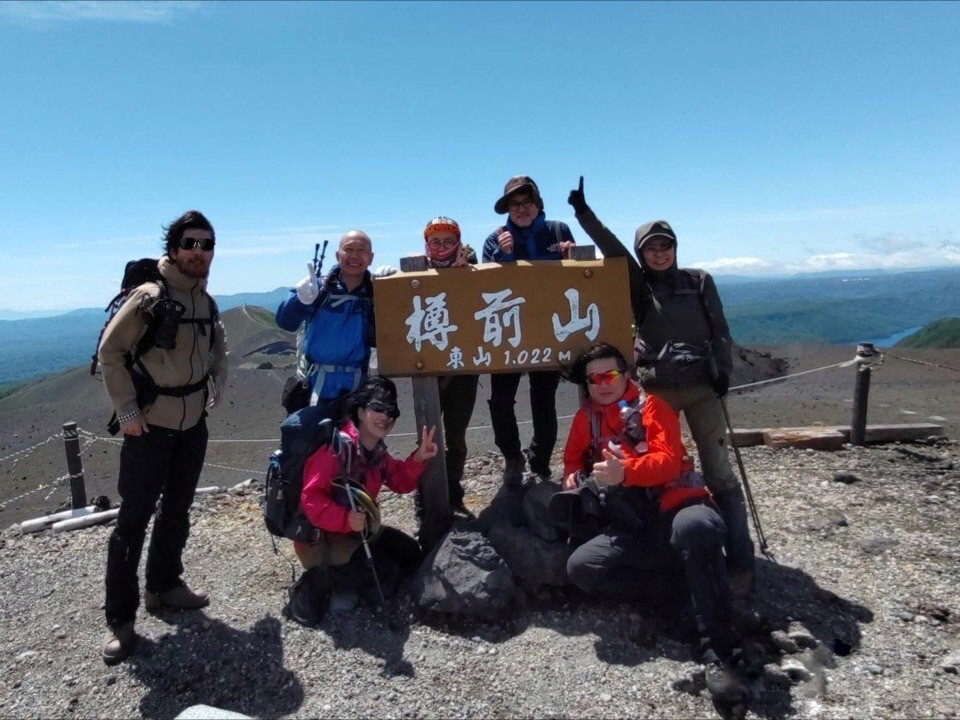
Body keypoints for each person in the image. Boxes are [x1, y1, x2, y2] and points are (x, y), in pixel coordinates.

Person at [567, 178, 756, 594]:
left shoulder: (699, 280)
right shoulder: (640, 284)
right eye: (650, 248)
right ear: (642, 253)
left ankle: (740, 561)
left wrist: (723, 370)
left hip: (702, 386)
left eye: (664, 245)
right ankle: (676, 548)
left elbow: (720, 330)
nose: (658, 253)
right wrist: (583, 213)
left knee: (719, 472)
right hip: (658, 391)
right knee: (659, 468)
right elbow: (611, 246)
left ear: (675, 247)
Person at [558, 342, 748, 703]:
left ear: (625, 375)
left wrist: (623, 472)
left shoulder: (652, 407)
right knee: (582, 568)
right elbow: (571, 457)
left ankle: (721, 650)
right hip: (633, 524)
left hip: (679, 506)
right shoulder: (587, 419)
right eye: (593, 378)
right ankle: (678, 591)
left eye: (609, 374)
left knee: (696, 529)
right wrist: (570, 474)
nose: (601, 383)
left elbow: (666, 461)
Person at [97, 210, 229, 665]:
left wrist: (219, 380)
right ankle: (122, 620)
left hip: (192, 424)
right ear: (173, 249)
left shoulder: (204, 300)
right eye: (190, 243)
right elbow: (110, 352)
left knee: (177, 509)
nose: (199, 251)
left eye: (207, 244)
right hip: (149, 425)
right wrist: (126, 409)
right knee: (132, 521)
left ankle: (164, 586)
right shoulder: (150, 297)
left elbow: (218, 345)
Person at [286, 376, 438, 625]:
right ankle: (312, 584)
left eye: (392, 411)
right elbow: (311, 499)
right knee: (383, 577)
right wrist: (345, 519)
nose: (386, 416)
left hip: (358, 532)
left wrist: (418, 458)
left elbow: (399, 481)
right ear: (360, 411)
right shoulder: (336, 448)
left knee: (409, 553)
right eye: (378, 408)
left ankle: (348, 579)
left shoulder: (376, 451)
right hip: (320, 541)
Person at [481, 175, 577, 485]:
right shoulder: (494, 240)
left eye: (527, 202)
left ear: (538, 204)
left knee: (543, 399)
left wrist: (571, 258)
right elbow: (481, 289)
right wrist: (501, 259)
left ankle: (541, 460)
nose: (521, 209)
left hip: (549, 331)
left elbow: (577, 278)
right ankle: (512, 457)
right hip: (507, 333)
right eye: (514, 204)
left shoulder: (559, 231)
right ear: (507, 208)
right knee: (500, 400)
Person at [275, 230, 393, 415]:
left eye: (361, 250)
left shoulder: (374, 292)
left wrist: (392, 290)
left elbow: (387, 334)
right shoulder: (317, 289)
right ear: (338, 255)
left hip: (357, 387)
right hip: (314, 385)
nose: (354, 255)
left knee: (355, 442)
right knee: (309, 442)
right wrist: (300, 299)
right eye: (348, 249)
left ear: (371, 258)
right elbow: (285, 322)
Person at [412, 216, 480, 517]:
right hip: (429, 367)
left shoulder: (472, 267)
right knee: (426, 437)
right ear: (426, 244)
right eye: (435, 241)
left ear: (459, 243)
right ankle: (424, 495)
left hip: (464, 369)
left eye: (449, 241)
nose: (442, 247)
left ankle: (454, 493)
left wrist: (468, 273)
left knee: (456, 436)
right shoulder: (414, 269)